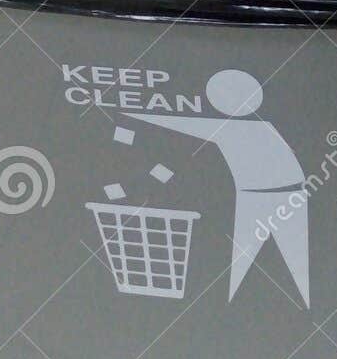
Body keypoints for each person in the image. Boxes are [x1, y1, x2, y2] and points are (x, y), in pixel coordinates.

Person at [122, 68, 310, 306]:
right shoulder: (258, 127)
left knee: (272, 255)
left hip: (274, 196)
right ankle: (250, 303)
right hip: (273, 194)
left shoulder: (243, 128)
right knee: (261, 257)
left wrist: (140, 114)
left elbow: (193, 125)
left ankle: (287, 302)